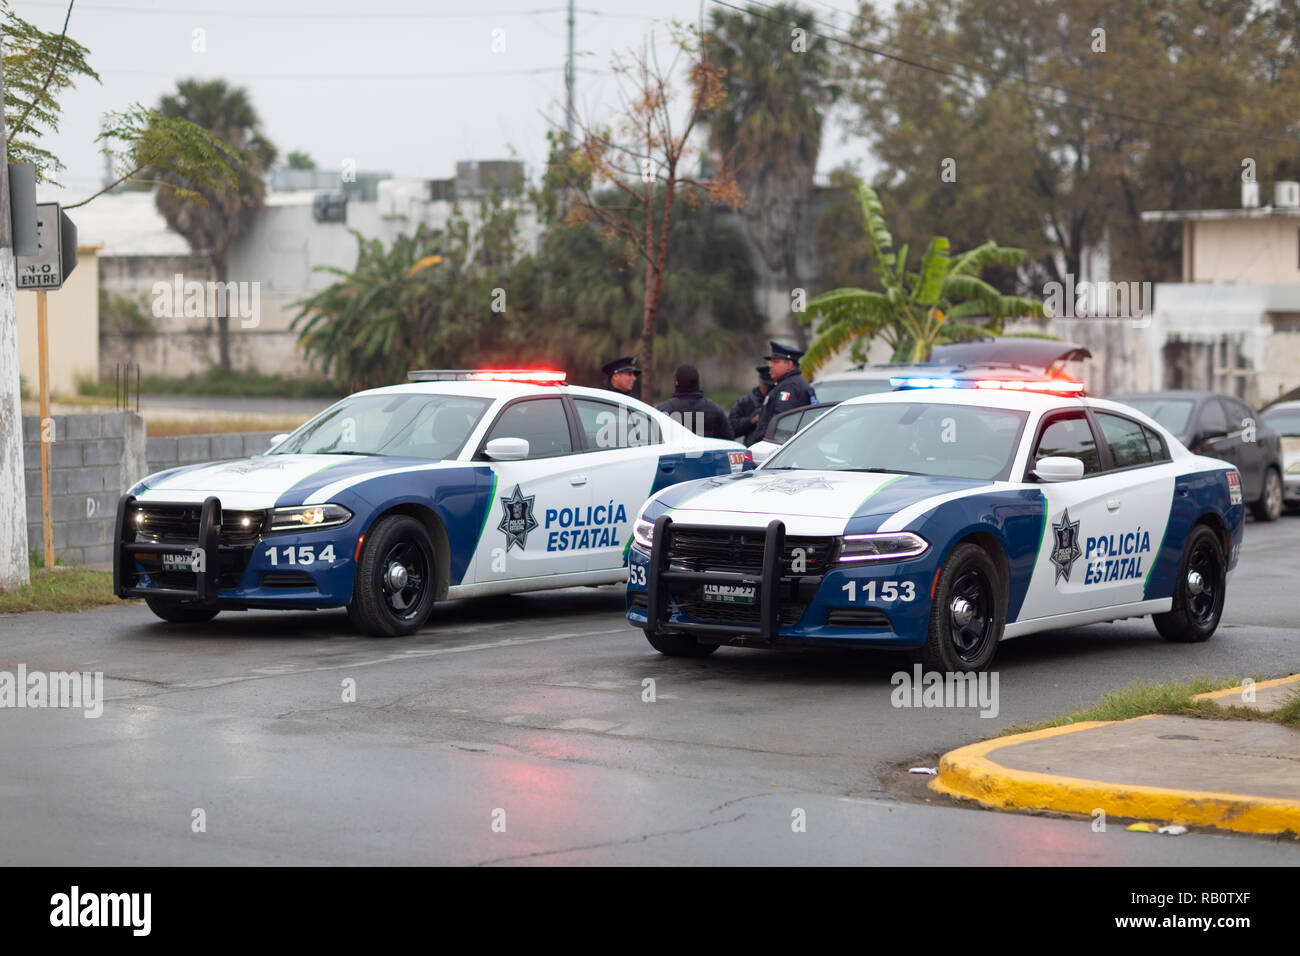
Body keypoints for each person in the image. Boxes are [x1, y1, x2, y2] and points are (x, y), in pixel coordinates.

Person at [753, 341, 817, 441]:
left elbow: (782, 423)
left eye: (776, 362)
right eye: (771, 361)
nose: (770, 365)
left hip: (776, 446)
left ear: (789, 364)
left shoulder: (789, 387)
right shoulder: (789, 383)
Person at [656, 364, 733, 440]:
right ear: (698, 382)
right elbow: (729, 442)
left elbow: (654, 442)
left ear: (676, 383)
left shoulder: (663, 410)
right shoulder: (715, 409)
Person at [729, 364, 775, 446]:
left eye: (772, 386)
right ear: (760, 382)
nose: (769, 389)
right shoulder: (745, 402)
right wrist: (751, 421)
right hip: (752, 449)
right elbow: (731, 428)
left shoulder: (779, 400)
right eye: (766, 385)